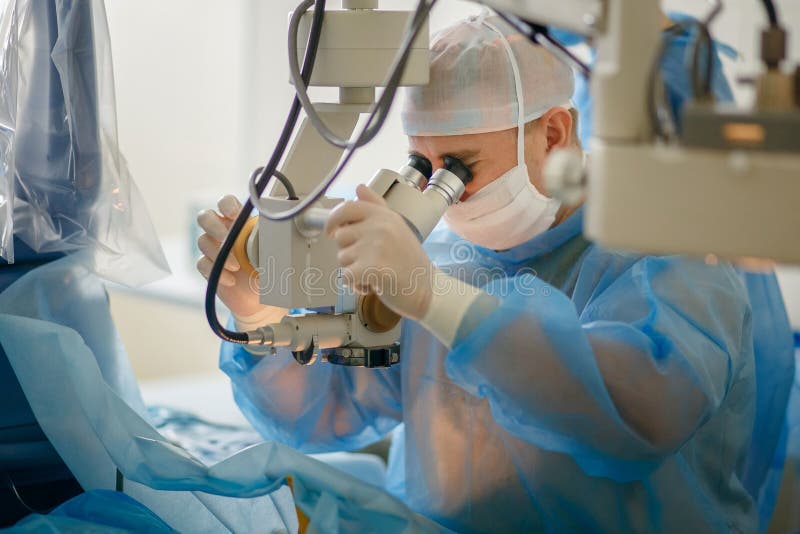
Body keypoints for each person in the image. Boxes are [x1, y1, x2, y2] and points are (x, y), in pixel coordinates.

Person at [197, 13, 794, 533]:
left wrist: (434, 298)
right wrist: (258, 312)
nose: (440, 194)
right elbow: (328, 412)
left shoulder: (667, 253)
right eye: (422, 166)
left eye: (461, 167)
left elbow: (634, 413)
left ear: (554, 134)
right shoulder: (440, 259)